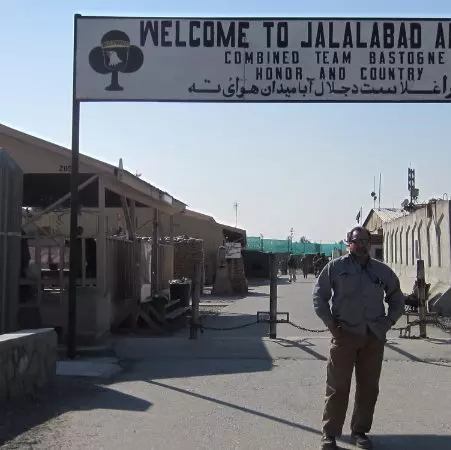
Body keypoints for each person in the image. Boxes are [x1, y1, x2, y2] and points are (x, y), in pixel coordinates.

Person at [313, 226, 405, 449]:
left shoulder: (382, 271)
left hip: (373, 337)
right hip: (344, 335)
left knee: (369, 388)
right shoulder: (335, 267)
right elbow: (319, 296)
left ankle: (359, 432)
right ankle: (330, 434)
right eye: (357, 241)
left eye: (365, 241)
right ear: (349, 244)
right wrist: (332, 326)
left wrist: (387, 322)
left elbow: (397, 298)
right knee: (337, 387)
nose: (362, 245)